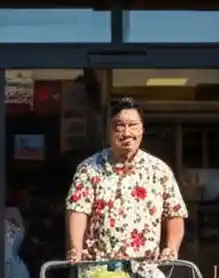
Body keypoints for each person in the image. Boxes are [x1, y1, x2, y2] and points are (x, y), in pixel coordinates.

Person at [64, 97, 187, 263]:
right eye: (119, 126)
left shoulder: (159, 170)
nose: (127, 133)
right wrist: (76, 250)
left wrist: (171, 249)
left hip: (146, 269)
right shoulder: (89, 168)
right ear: (109, 130)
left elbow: (175, 213)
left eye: (133, 125)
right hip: (99, 268)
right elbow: (78, 210)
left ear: (142, 129)